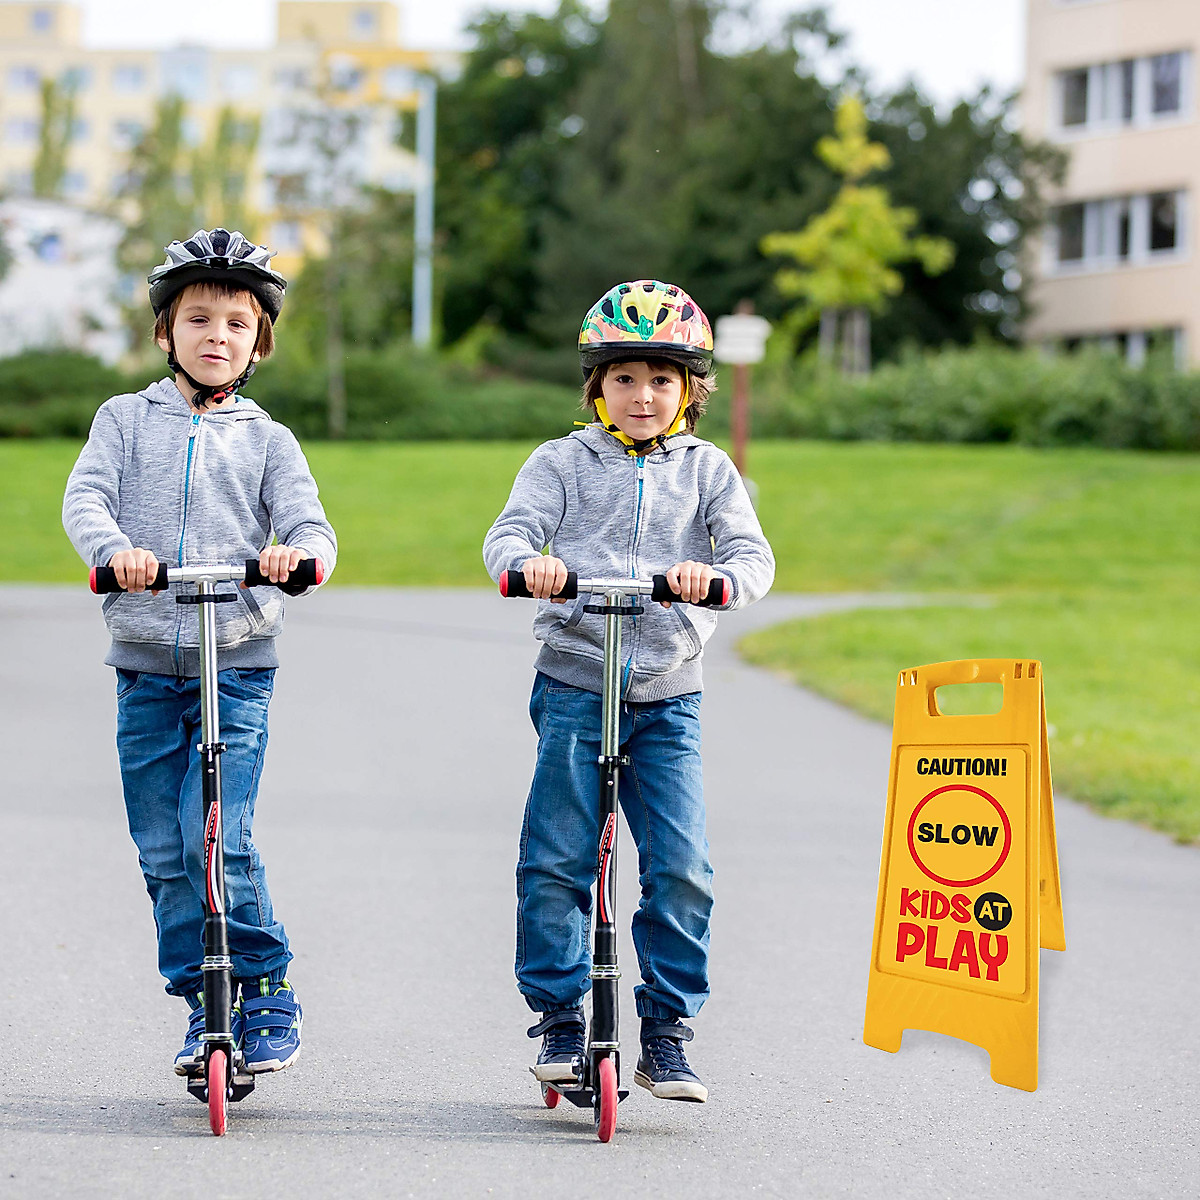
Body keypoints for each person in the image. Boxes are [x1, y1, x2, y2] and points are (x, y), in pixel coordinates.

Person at [483, 279, 775, 1103]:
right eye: (624, 379)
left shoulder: (709, 472)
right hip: (577, 681)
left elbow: (754, 561)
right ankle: (558, 1017)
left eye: (660, 379)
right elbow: (507, 537)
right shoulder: (561, 463)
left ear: (689, 390)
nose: (642, 396)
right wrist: (528, 566)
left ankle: (669, 1031)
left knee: (682, 865)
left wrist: (711, 579)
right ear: (597, 387)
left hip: (667, 694)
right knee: (556, 858)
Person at [62, 228, 337, 1078]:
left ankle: (264, 984)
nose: (217, 336)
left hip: (238, 663)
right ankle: (200, 999)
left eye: (236, 325)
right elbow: (87, 498)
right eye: (198, 320)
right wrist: (117, 552)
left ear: (259, 344)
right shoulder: (124, 420)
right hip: (146, 662)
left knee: (214, 833)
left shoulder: (269, 440)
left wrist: (299, 557)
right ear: (165, 335)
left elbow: (311, 526)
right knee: (160, 843)